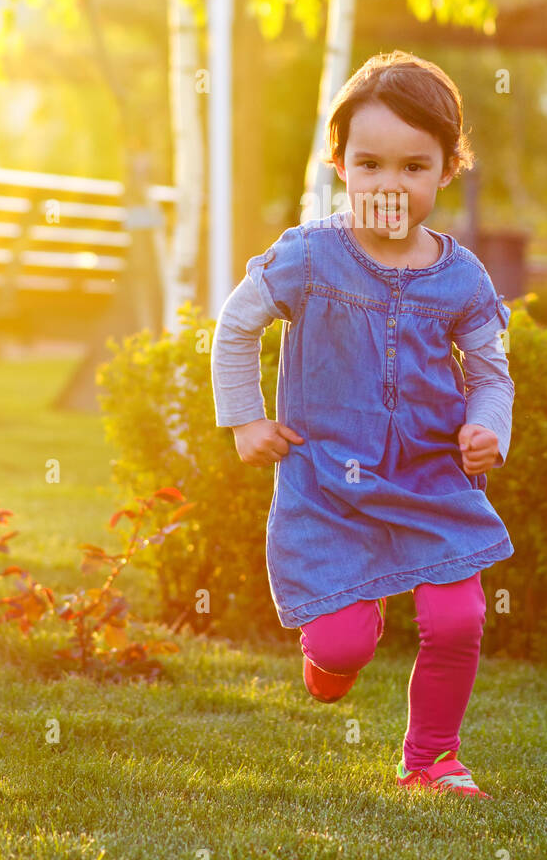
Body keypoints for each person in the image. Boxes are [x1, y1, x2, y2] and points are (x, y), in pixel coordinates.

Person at [210, 50, 515, 800]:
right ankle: (345, 639)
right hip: (329, 481)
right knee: (340, 644)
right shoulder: (310, 256)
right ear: (340, 164)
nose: (390, 185)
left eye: (414, 167)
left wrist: (487, 426)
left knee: (458, 619)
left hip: (430, 477)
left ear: (447, 169)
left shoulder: (462, 277)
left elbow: (491, 371)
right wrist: (246, 419)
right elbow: (234, 327)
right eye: (370, 164)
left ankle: (431, 758)